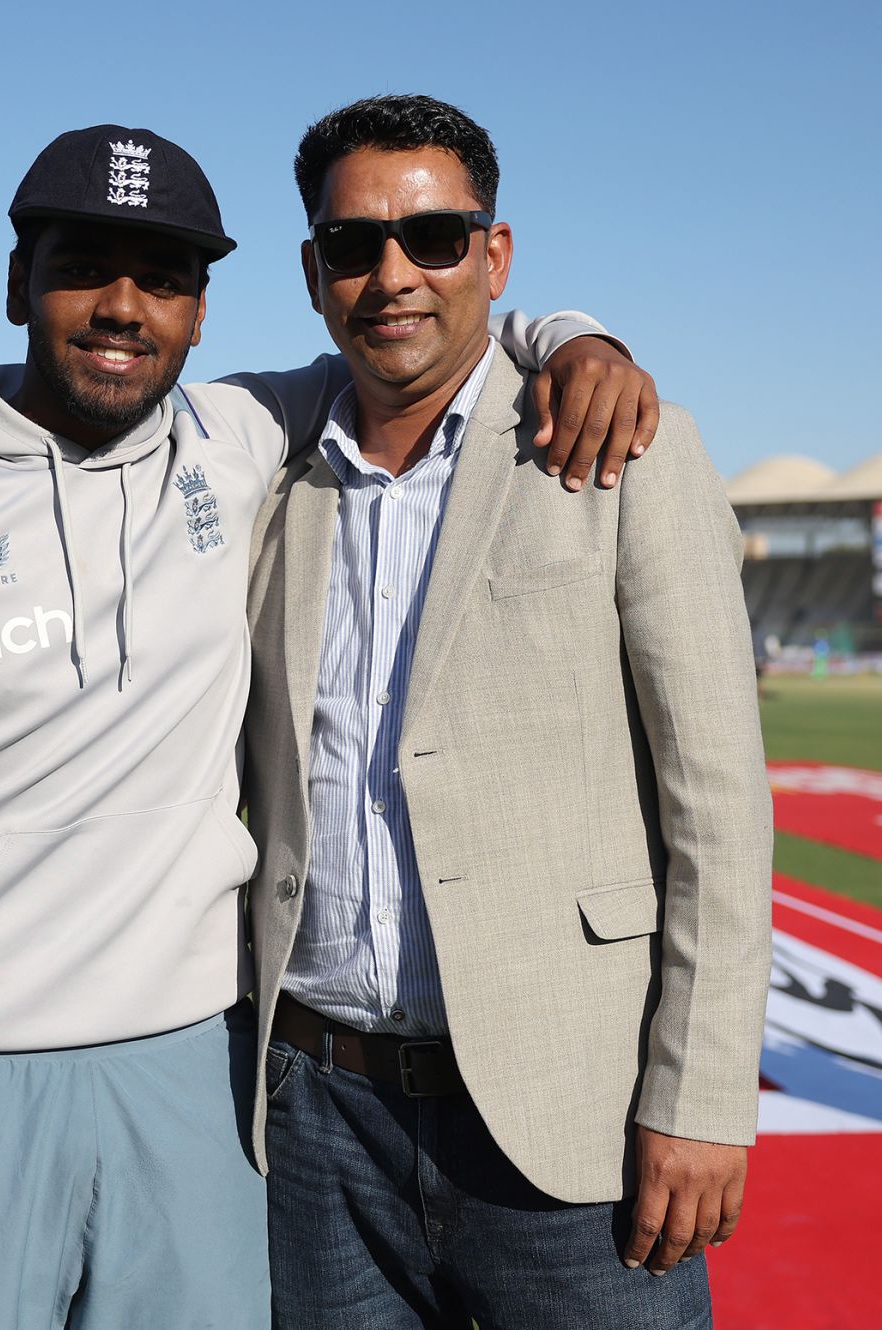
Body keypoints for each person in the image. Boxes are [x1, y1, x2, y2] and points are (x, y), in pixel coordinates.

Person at [0, 122, 655, 1329]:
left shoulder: (233, 439)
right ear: (18, 282)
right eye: (85, 266)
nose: (124, 307)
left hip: (197, 1072)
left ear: (203, 310)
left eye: (164, 278)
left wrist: (574, 333)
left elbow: (418, 334)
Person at [243, 94, 774, 1330]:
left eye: (435, 237)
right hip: (316, 1116)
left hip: (564, 1111)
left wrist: (698, 1099)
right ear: (311, 269)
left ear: (497, 255)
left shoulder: (626, 445)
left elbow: (719, 805)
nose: (393, 275)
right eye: (353, 245)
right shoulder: (265, 463)